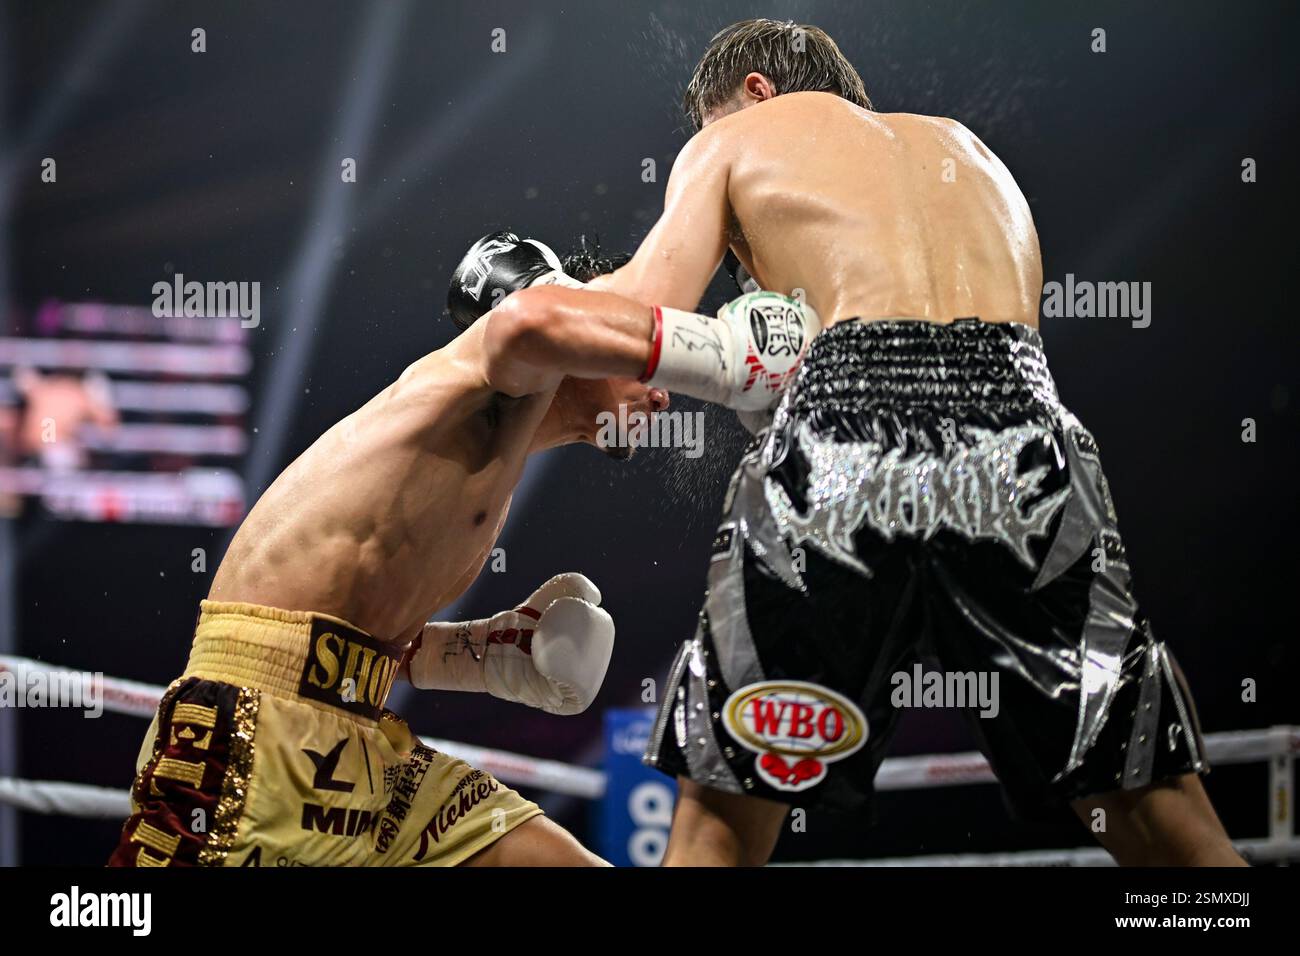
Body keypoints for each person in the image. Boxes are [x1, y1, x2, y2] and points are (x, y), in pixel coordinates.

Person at [571, 18, 1239, 867]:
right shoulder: (972, 153)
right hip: (1025, 430)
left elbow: (646, 308)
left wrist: (533, 304)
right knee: (1156, 812)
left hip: (847, 426)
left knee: (719, 829)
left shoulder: (738, 136)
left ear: (754, 92)